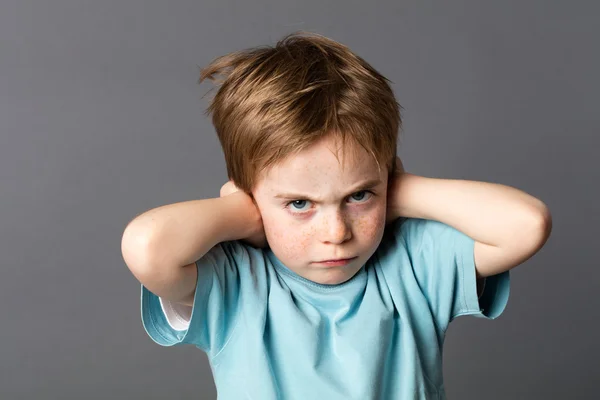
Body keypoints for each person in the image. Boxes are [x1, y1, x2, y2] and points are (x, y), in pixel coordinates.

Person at [121, 31, 552, 399]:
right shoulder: (236, 283)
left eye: (358, 196)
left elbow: (526, 225)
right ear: (252, 201)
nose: (336, 232)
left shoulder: (414, 263)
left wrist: (396, 190)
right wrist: (241, 211)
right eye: (299, 203)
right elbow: (148, 247)